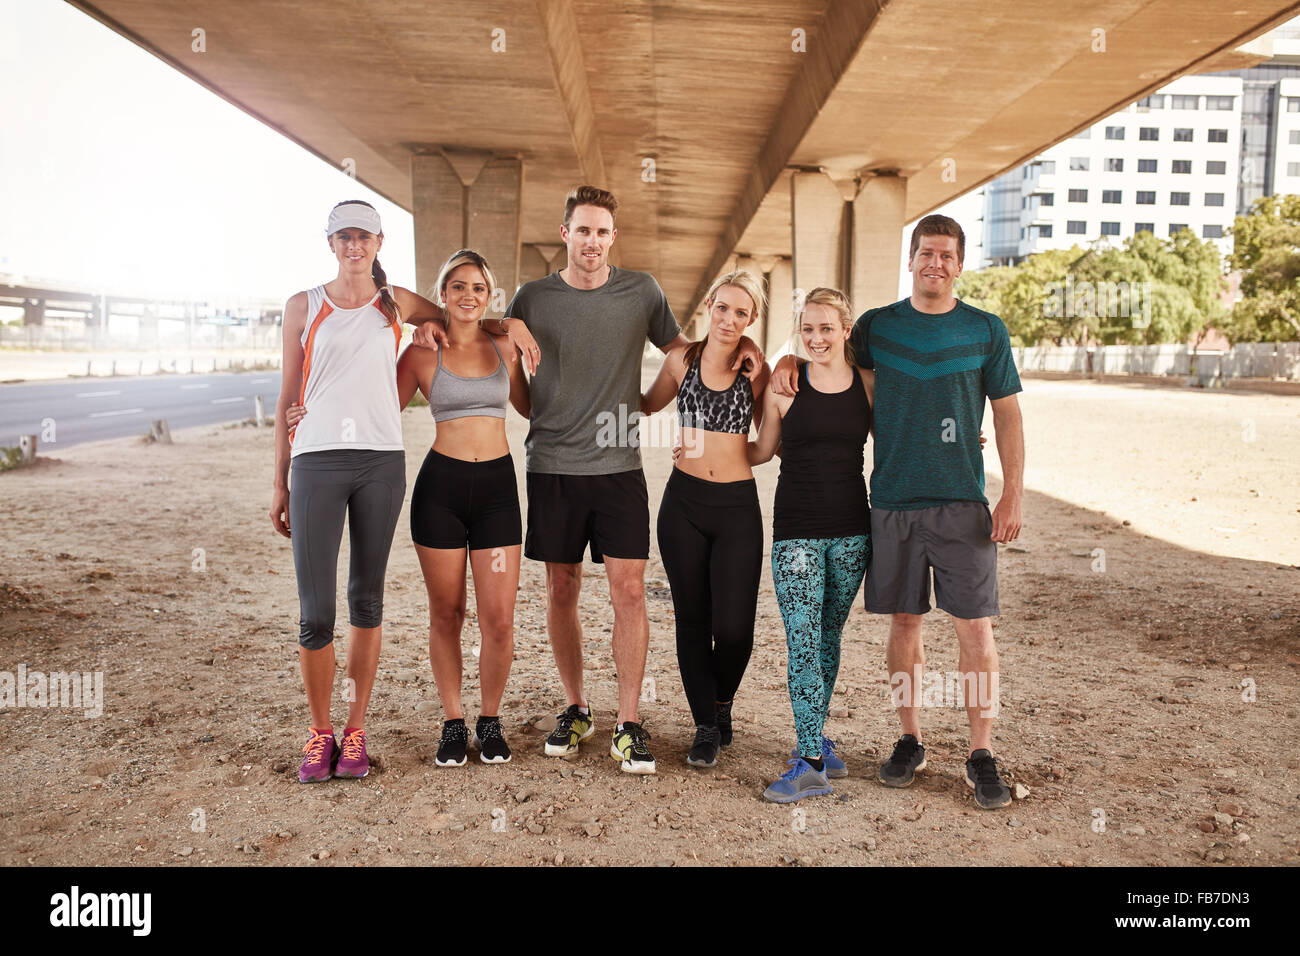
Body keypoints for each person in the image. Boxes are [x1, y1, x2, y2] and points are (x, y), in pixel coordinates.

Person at [473, 185, 763, 775]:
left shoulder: (642, 292)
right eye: (583, 230)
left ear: (612, 237)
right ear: (566, 233)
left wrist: (750, 342)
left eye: (603, 231)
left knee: (629, 592)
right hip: (552, 464)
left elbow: (690, 351)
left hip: (620, 467)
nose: (593, 241)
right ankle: (577, 707)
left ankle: (629, 722)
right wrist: (507, 329)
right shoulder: (533, 296)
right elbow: (467, 318)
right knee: (562, 589)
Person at [770, 214, 1025, 810]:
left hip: (964, 502)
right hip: (889, 503)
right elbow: (822, 351)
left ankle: (980, 752)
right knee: (904, 625)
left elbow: (1008, 413)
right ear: (909, 260)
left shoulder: (986, 330)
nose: (934, 263)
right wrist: (786, 362)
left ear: (960, 264)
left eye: (946, 255)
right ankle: (910, 738)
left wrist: (1012, 491)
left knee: (975, 630)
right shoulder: (878, 328)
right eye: (925, 253)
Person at [287, 249, 530, 768]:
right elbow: (374, 401)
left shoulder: (504, 343)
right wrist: (314, 411)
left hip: (498, 493)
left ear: (490, 297)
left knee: (499, 619)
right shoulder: (421, 353)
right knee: (446, 613)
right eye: (458, 287)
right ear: (442, 295)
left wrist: (519, 328)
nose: (469, 296)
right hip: (440, 490)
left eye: (479, 289)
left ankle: (489, 721)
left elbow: (533, 405)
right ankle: (452, 721)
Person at [270, 199, 447, 784]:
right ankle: (320, 732)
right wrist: (280, 479)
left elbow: (461, 315)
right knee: (316, 613)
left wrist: (438, 327)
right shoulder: (304, 306)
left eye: (364, 236)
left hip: (380, 462)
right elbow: (286, 396)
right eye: (344, 236)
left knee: (366, 601)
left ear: (378, 241)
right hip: (316, 461)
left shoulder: (395, 300)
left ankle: (355, 730)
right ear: (330, 243)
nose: (354, 245)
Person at [640, 270, 770, 769]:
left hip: (737, 506)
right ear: (708, 306)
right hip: (684, 506)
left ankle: (721, 702)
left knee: (735, 628)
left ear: (751, 319)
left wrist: (725, 450)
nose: (729, 319)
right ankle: (705, 726)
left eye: (741, 312)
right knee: (693, 620)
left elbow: (767, 440)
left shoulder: (754, 369)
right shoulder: (681, 360)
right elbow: (647, 405)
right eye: (723, 307)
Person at [748, 288, 873, 802]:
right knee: (801, 642)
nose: (816, 338)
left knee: (827, 639)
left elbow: (898, 436)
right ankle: (811, 761)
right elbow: (760, 450)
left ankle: (814, 736)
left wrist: (949, 439)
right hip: (796, 531)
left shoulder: (869, 385)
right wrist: (702, 450)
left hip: (852, 531)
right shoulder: (785, 385)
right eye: (807, 329)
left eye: (826, 328)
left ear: (846, 330)